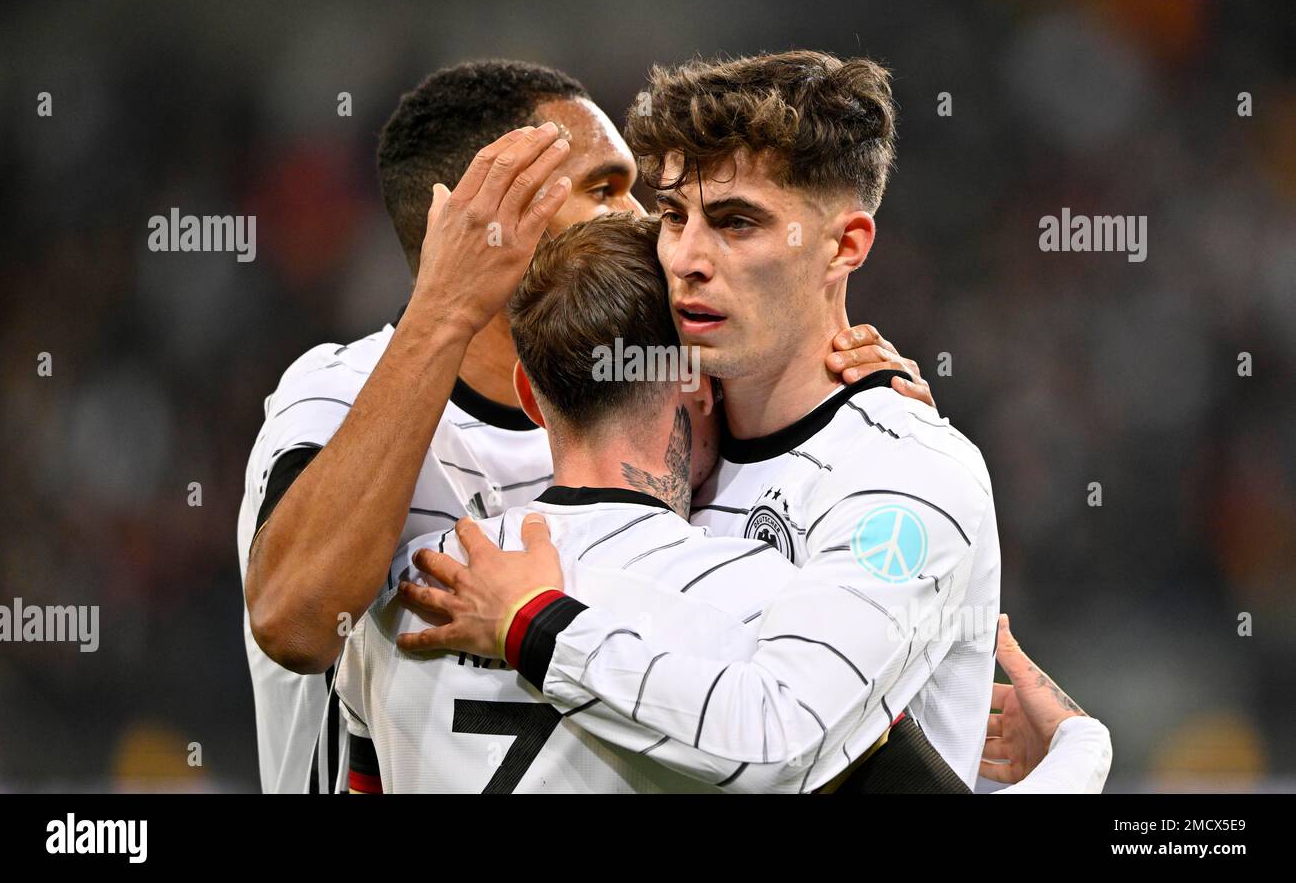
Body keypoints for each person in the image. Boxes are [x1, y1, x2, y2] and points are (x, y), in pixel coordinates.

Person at [238, 60, 925, 792]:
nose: (645, 221)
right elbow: (298, 622)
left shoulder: (671, 397)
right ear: (486, 215)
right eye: (606, 189)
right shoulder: (341, 389)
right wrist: (443, 305)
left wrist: (873, 431)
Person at [402, 51, 1003, 791]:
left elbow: (780, 740)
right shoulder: (658, 446)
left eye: (735, 223)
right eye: (674, 216)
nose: (685, 257)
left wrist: (534, 624)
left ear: (844, 245)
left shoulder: (902, 472)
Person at [341, 215, 1110, 793]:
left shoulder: (401, 591)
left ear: (529, 398)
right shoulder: (761, 609)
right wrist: (1080, 748)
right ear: (698, 378)